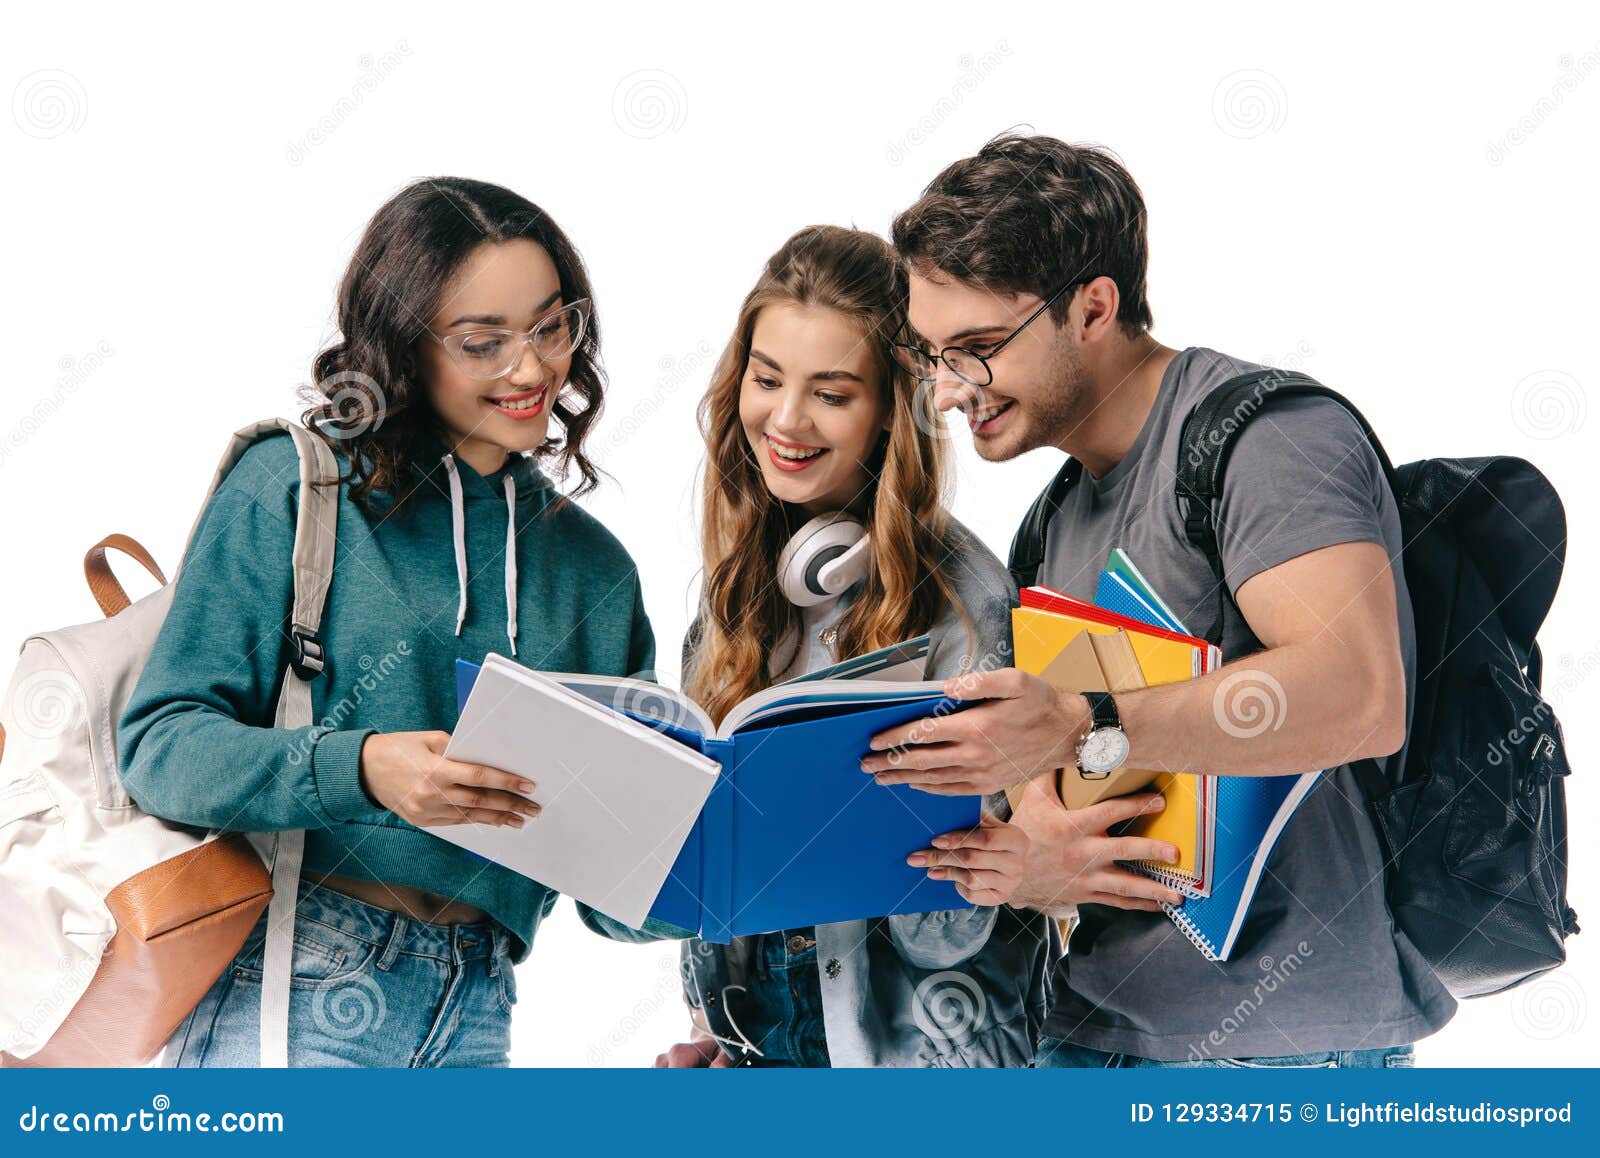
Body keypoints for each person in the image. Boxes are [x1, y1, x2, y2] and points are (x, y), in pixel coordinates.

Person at [865, 134, 1454, 1067]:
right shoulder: (1051, 520)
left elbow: (1360, 695)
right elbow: (1094, 785)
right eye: (932, 355)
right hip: (1096, 1033)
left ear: (1093, 307)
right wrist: (1037, 853)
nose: (946, 393)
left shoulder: (1267, 440)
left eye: (976, 351)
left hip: (1283, 1055)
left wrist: (1079, 725)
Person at [120, 177, 676, 1067]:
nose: (531, 369)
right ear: (404, 348)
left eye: (551, 326)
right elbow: (160, 750)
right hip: (298, 969)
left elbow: (617, 900)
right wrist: (366, 766)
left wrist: (726, 860)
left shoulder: (594, 569)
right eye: (481, 343)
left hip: (482, 1000)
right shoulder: (296, 488)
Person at [655, 225, 1052, 1067]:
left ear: (891, 412)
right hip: (762, 1034)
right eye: (767, 380)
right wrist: (713, 1027)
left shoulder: (970, 607)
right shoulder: (735, 594)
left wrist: (905, 815)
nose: (786, 420)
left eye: (832, 394)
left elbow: (951, 935)